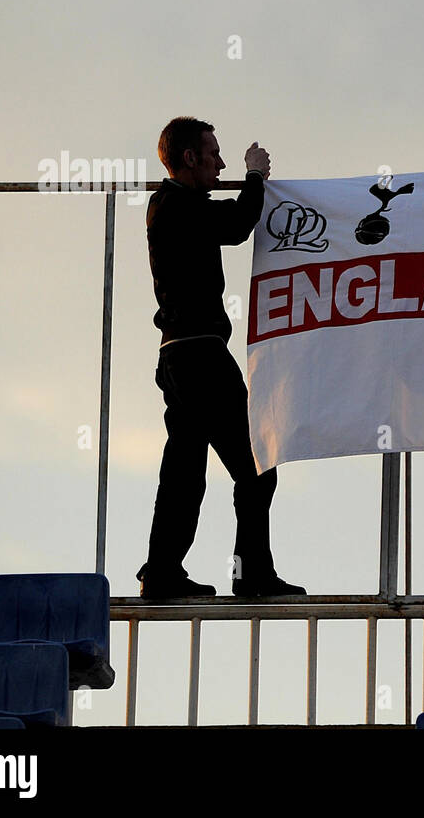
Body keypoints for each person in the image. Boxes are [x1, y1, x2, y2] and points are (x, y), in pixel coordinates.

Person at [137, 116, 305, 600]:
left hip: (179, 357)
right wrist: (255, 176)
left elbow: (225, 222)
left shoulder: (171, 207)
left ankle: (163, 571)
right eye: (213, 154)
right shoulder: (175, 206)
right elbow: (235, 225)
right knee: (256, 464)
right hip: (200, 358)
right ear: (190, 158)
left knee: (185, 472)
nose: (221, 163)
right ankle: (249, 573)